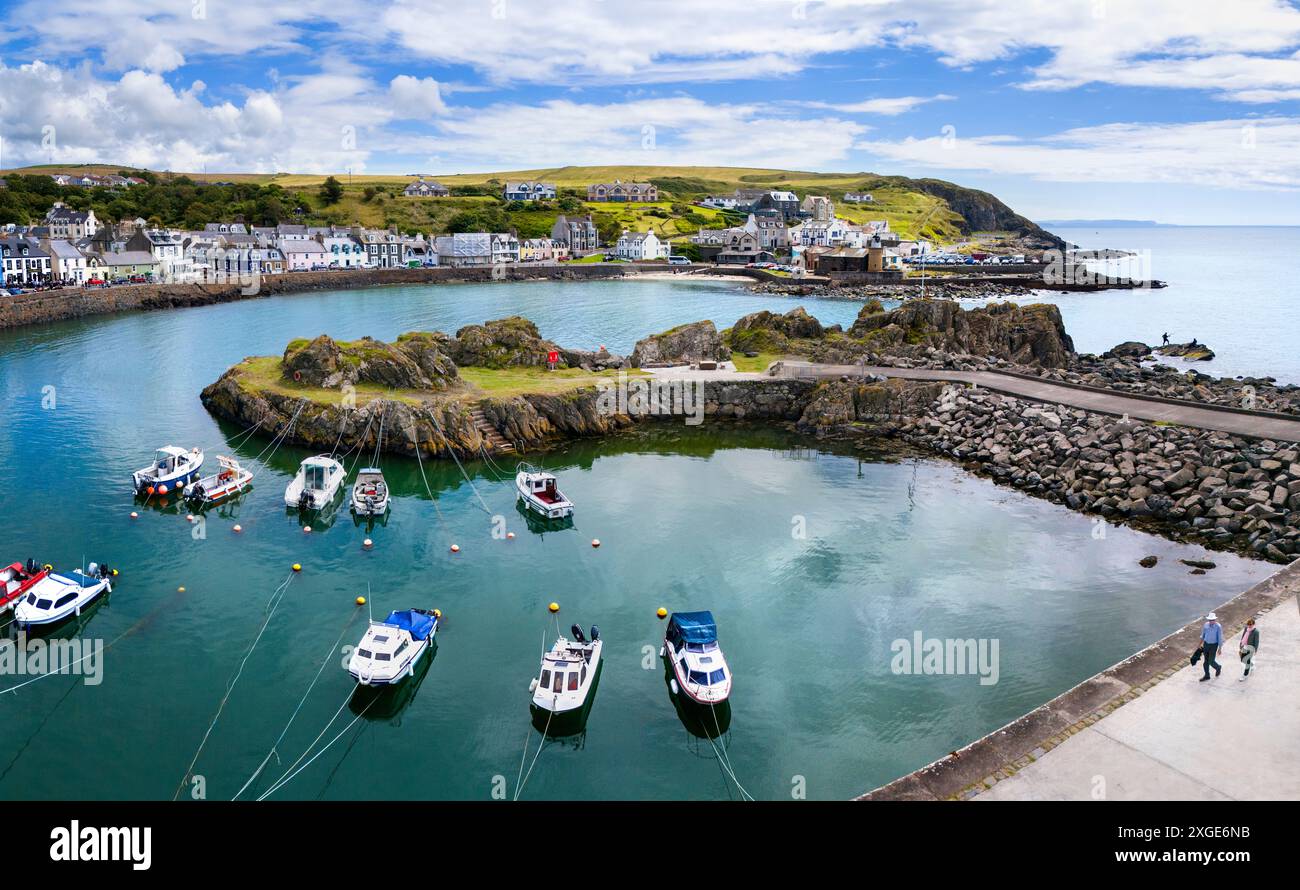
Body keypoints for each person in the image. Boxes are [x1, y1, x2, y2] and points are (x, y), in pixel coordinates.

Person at [1199, 611, 1223, 681]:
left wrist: (1220, 648)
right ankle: (1207, 675)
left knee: (1211, 661)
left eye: (1213, 620)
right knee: (1205, 662)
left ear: (1215, 620)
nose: (1211, 621)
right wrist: (1199, 644)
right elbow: (1202, 635)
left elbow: (1220, 638)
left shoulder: (1218, 626)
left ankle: (1218, 667)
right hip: (1206, 644)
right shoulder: (1206, 625)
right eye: (1210, 620)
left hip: (1213, 645)